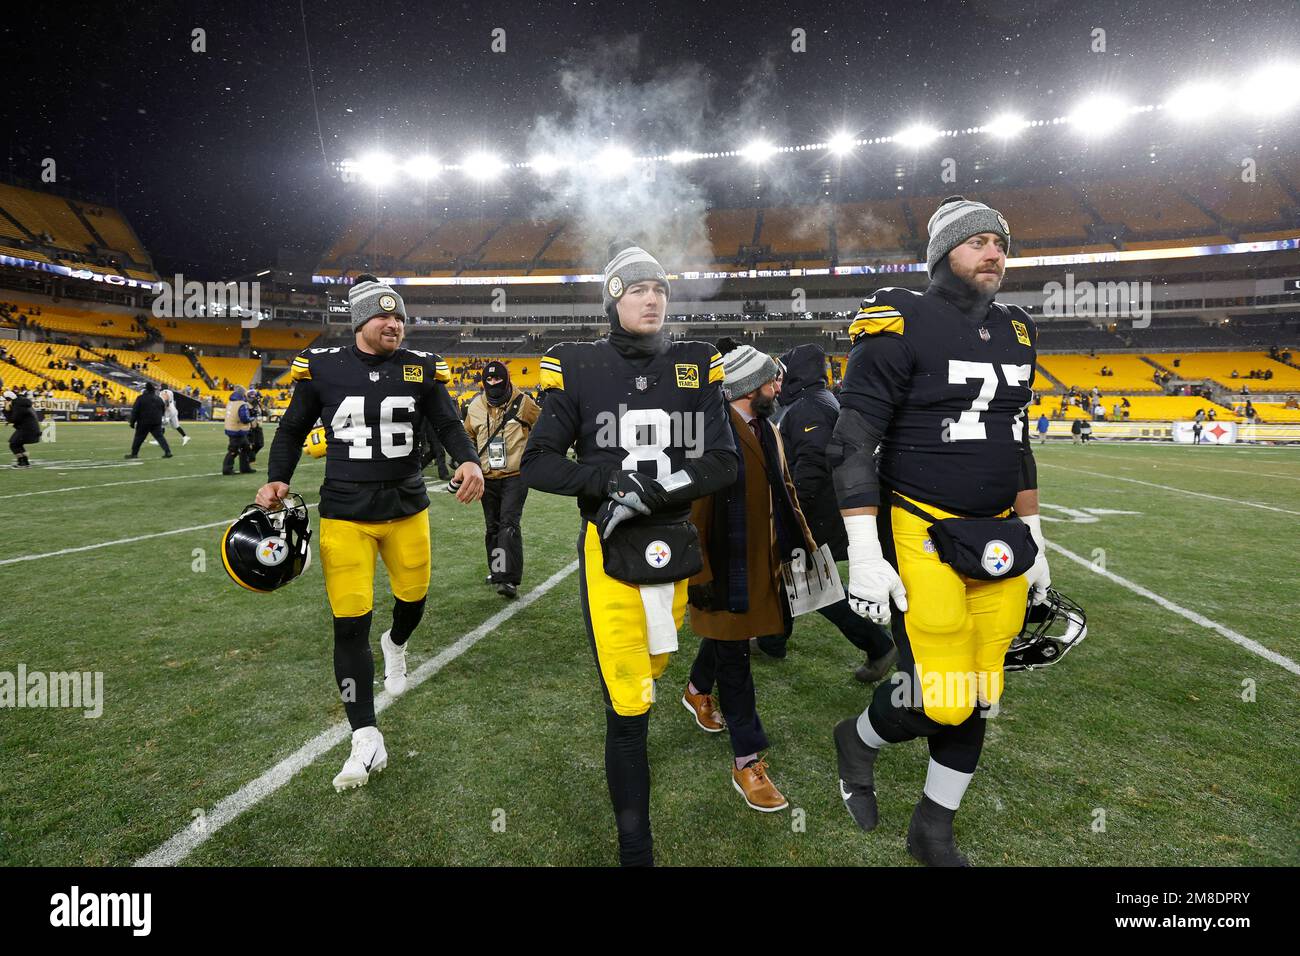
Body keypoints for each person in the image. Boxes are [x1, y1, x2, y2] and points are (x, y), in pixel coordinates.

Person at [827, 196, 1052, 866]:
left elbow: (1017, 442)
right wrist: (864, 553)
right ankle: (860, 738)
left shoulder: (1016, 327)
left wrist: (1036, 537)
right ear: (942, 251)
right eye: (979, 241)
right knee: (946, 698)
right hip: (922, 527)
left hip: (1000, 534)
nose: (994, 253)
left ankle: (933, 827)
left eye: (1002, 243)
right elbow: (853, 440)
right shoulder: (902, 316)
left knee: (981, 693)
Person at [520, 242, 738, 866]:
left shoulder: (696, 362)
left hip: (674, 544)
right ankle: (635, 847)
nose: (652, 298)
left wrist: (649, 492)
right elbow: (536, 463)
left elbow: (722, 461)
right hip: (610, 550)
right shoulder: (578, 364)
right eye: (637, 288)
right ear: (613, 298)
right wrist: (611, 485)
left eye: (661, 289)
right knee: (629, 702)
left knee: (655, 668)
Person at [255, 274, 484, 793]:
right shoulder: (324, 367)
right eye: (383, 316)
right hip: (345, 514)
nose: (393, 324)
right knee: (348, 622)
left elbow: (448, 425)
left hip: (406, 508)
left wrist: (468, 460)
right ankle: (365, 734)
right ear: (360, 320)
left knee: (413, 602)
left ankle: (397, 643)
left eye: (399, 316)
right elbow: (292, 429)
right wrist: (278, 477)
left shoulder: (422, 368)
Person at [681, 344, 817, 812]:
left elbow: (786, 492)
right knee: (736, 660)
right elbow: (695, 510)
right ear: (746, 386)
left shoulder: (767, 428)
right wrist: (700, 575)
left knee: (729, 638)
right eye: (770, 380)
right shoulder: (711, 431)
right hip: (723, 566)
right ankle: (747, 760)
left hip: (760, 561)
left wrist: (802, 544)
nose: (778, 386)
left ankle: (696, 690)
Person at [774, 342, 896, 681]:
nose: (779, 382)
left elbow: (812, 465)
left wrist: (793, 508)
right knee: (792, 570)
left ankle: (878, 645)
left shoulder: (808, 407)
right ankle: (772, 640)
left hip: (817, 509)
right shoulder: (819, 400)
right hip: (829, 506)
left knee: (811, 583)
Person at [463, 360, 540, 599]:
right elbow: (467, 435)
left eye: (498, 379)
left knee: (508, 524)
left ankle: (509, 579)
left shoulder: (525, 403)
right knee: (492, 527)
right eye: (489, 380)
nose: (493, 383)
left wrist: (533, 457)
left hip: (516, 476)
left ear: (506, 379)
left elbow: (543, 427)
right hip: (487, 477)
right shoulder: (475, 406)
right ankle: (497, 571)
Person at [125, 382, 172, 459]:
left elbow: (135, 411)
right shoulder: (158, 399)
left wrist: (132, 422)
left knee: (138, 438)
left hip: (144, 422)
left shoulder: (140, 398)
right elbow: (162, 410)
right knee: (160, 437)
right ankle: (168, 452)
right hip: (156, 422)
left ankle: (134, 454)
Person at [222, 386, 255, 474]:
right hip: (238, 430)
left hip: (231, 428)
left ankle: (245, 468)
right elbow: (244, 419)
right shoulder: (241, 404)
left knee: (245, 447)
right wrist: (252, 418)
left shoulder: (231, 402)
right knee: (234, 450)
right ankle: (227, 469)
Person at [5, 389, 40, 468]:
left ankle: (22, 463)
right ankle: (25, 462)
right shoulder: (21, 403)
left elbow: (14, 419)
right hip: (30, 428)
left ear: (8, 400)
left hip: (27, 428)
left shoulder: (18, 405)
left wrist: (6, 411)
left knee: (13, 444)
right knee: (17, 444)